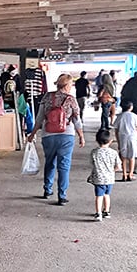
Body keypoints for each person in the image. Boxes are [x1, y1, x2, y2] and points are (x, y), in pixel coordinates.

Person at [27, 73, 85, 205]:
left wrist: (32, 133)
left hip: (48, 135)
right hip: (66, 135)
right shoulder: (71, 99)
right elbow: (77, 120)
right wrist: (81, 136)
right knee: (64, 166)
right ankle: (62, 196)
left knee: (50, 162)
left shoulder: (47, 97)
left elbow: (39, 118)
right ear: (67, 85)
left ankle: (47, 190)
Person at [89, 129, 121, 221]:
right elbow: (118, 167)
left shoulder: (94, 152)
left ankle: (98, 213)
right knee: (107, 195)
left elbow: (92, 163)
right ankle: (106, 212)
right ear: (110, 141)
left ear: (97, 140)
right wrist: (112, 171)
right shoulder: (113, 152)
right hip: (109, 178)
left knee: (99, 196)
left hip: (98, 178)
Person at [114, 98, 137, 181]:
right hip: (132, 137)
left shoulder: (119, 116)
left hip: (122, 137)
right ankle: (130, 174)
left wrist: (118, 141)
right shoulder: (135, 116)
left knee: (123, 156)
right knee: (132, 156)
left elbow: (116, 130)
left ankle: (124, 174)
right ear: (131, 107)